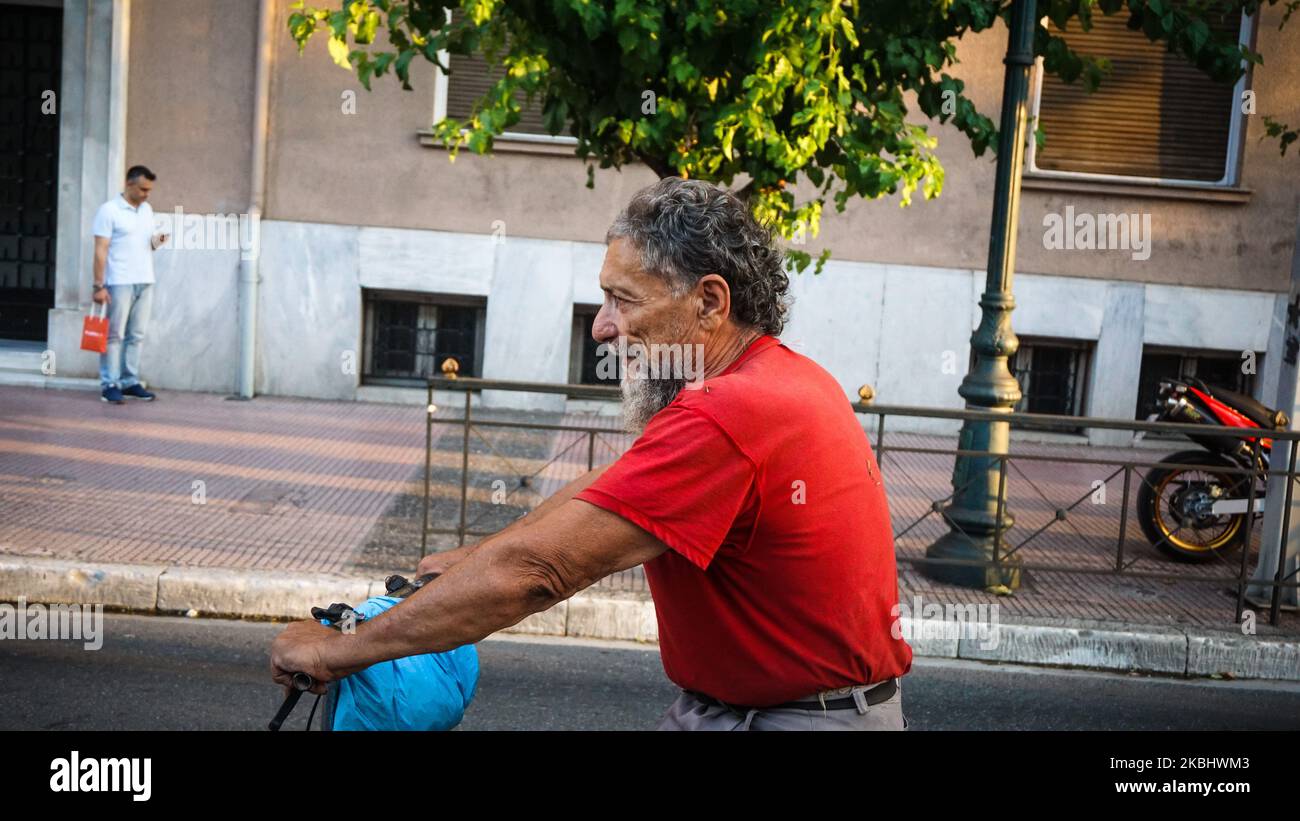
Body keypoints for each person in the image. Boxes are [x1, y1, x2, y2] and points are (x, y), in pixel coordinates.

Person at [271, 176, 913, 731]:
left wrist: (340, 650)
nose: (603, 326)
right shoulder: (776, 378)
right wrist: (471, 558)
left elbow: (537, 574)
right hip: (763, 709)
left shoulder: (729, 413)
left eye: (623, 300)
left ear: (710, 302)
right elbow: (608, 489)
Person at [92, 165, 168, 404]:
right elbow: (100, 249)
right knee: (114, 335)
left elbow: (149, 245)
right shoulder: (109, 210)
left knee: (136, 334)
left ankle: (129, 381)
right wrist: (98, 285)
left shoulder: (147, 210)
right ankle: (110, 384)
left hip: (145, 279)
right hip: (119, 282)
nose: (147, 194)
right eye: (143, 189)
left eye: (149, 190)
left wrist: (158, 241)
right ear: (129, 184)